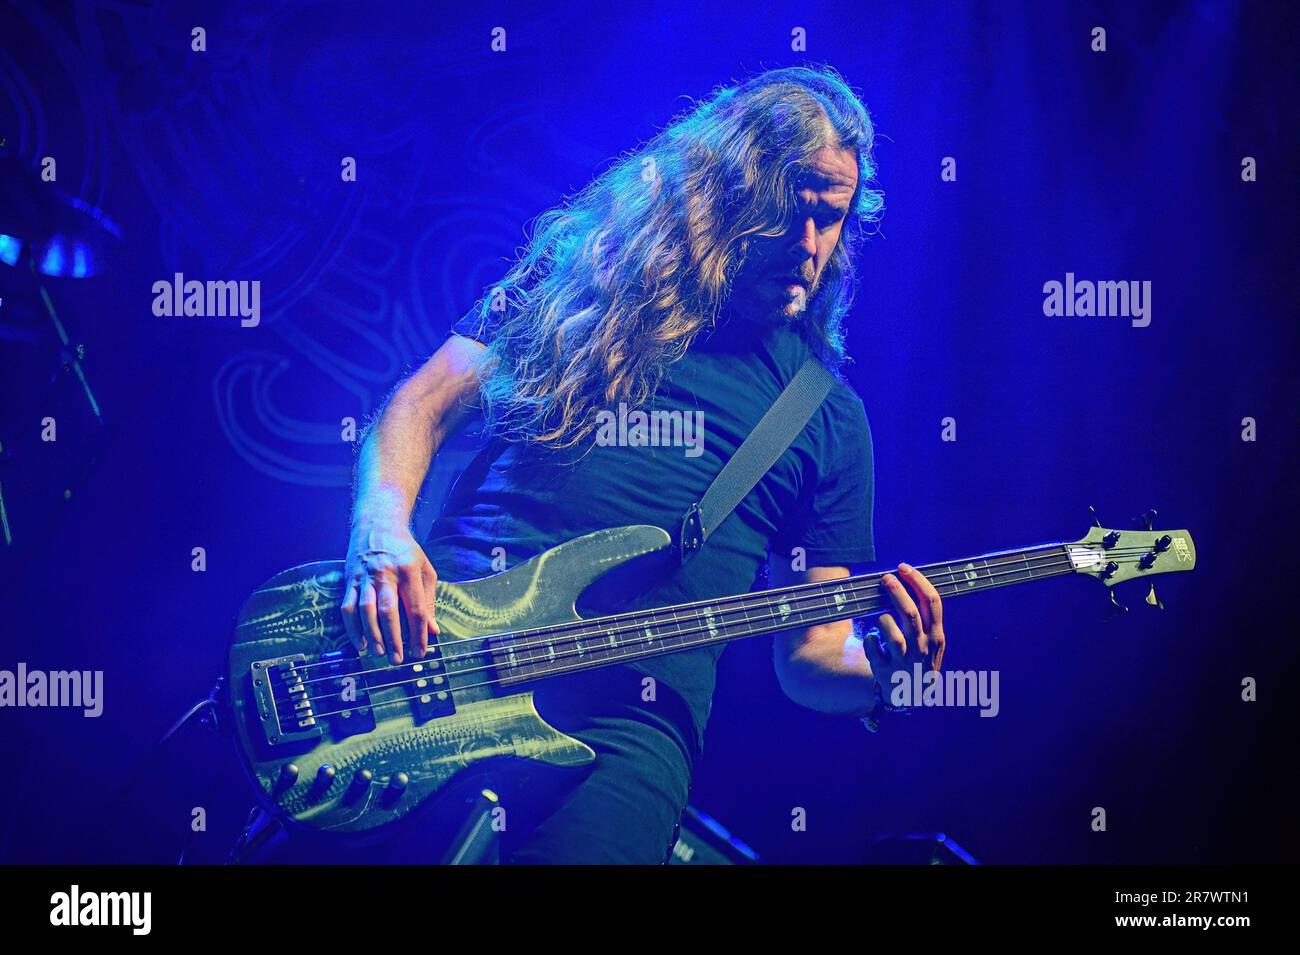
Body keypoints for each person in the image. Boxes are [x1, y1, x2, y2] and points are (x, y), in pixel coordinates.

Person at [340, 65, 947, 864]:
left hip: (626, 730)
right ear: (729, 191)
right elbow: (420, 405)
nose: (809, 246)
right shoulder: (582, 277)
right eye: (790, 213)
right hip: (440, 643)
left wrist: (886, 674)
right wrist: (381, 530)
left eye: (830, 222)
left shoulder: (826, 418)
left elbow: (811, 652)